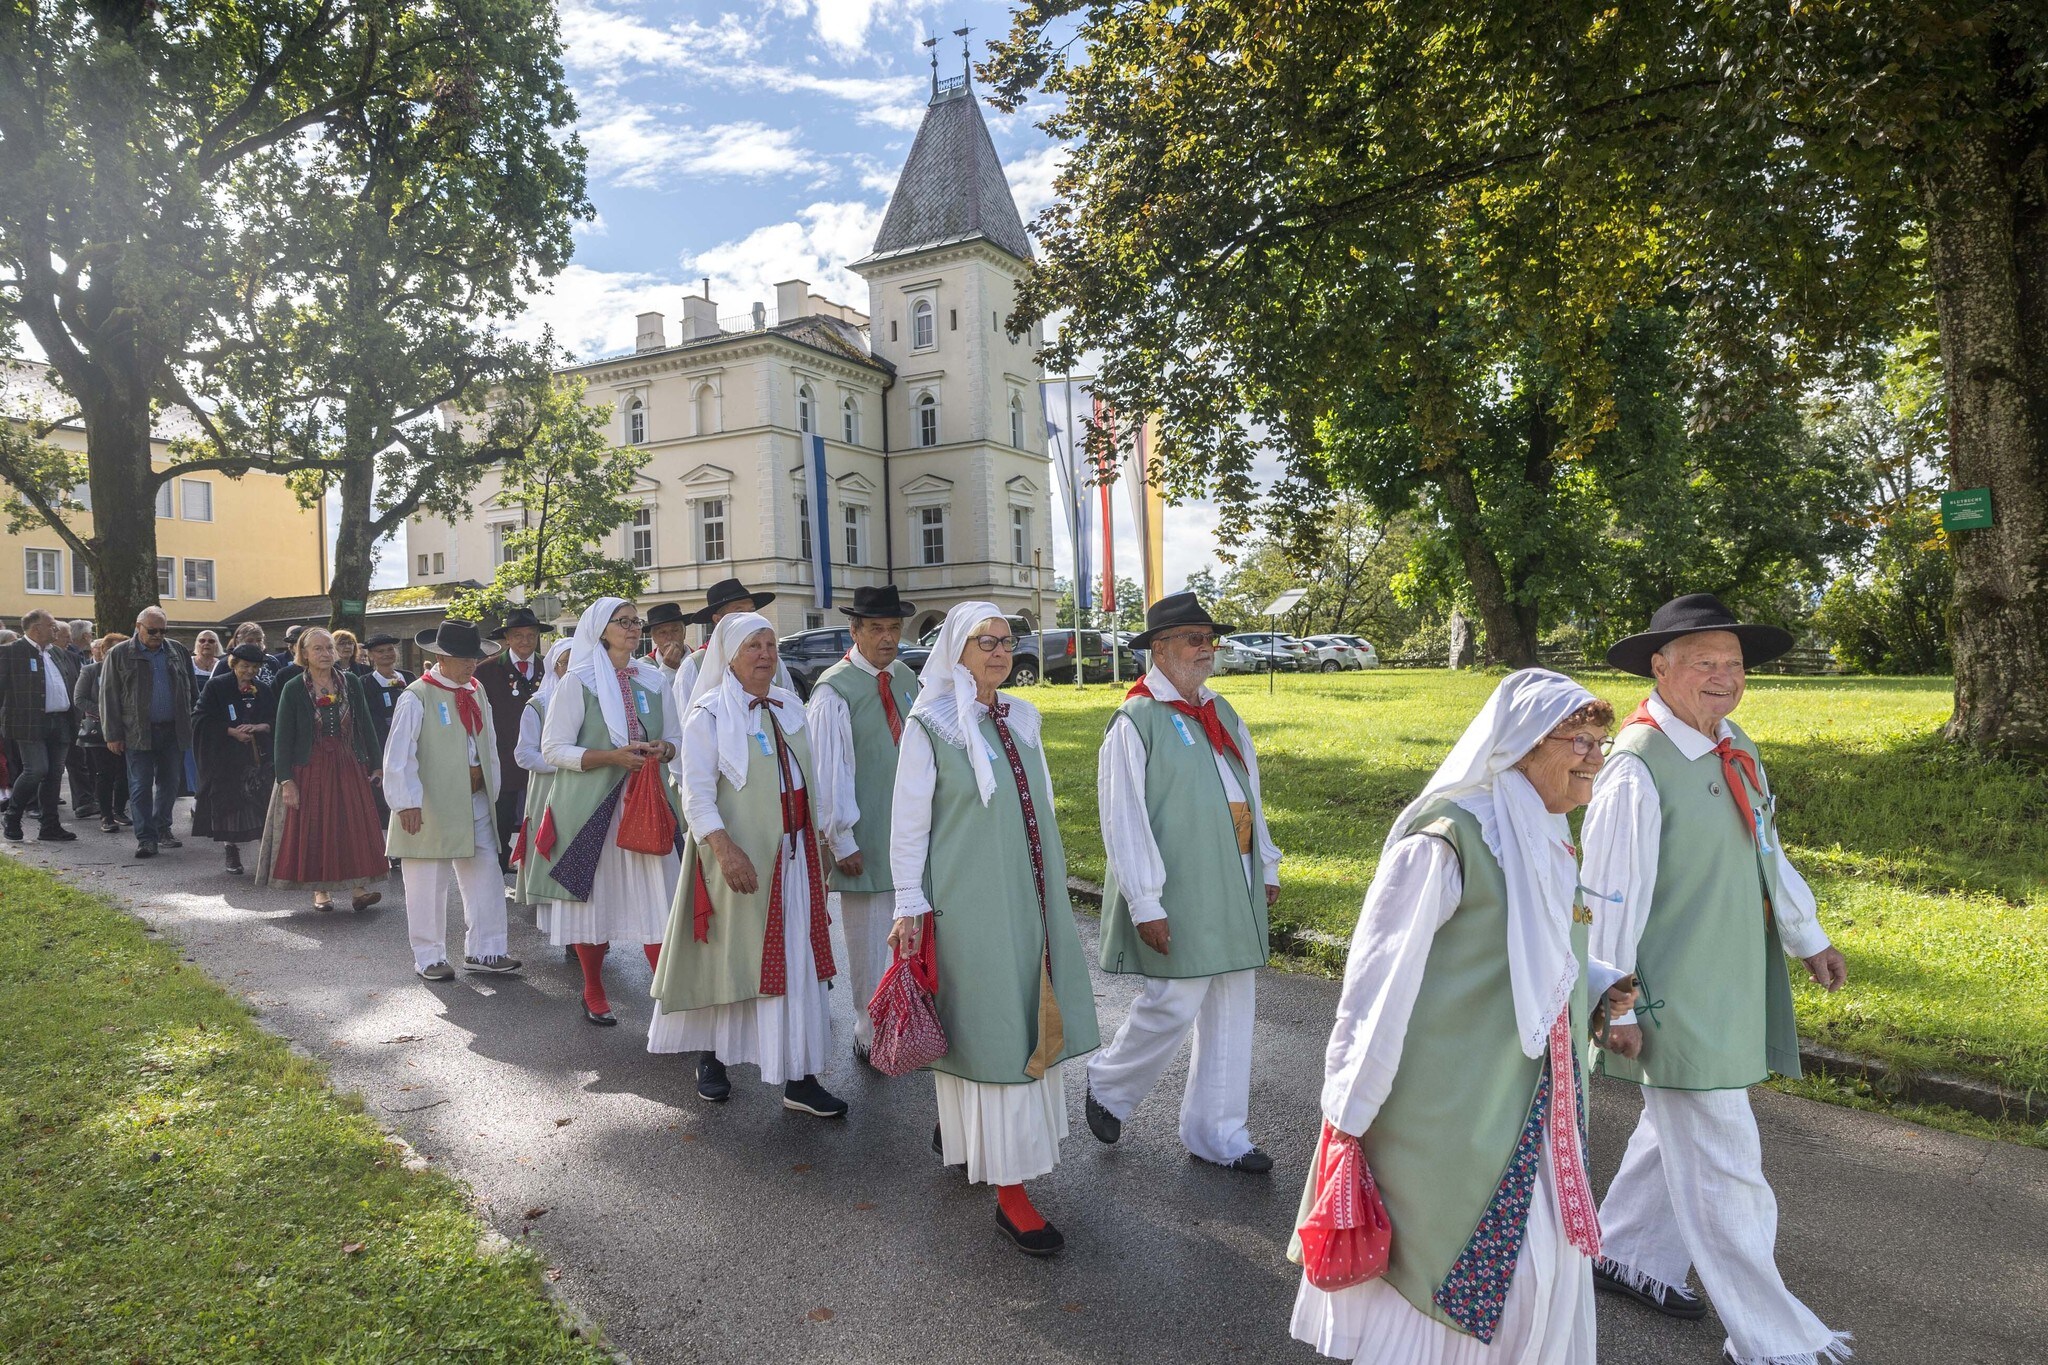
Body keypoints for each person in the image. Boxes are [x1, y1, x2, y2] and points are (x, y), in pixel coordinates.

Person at [1290, 669, 1630, 1364]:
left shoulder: (1546, 831)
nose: (1596, 756)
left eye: (1601, 741)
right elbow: (1376, 985)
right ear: (1521, 747)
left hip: (1531, 1108)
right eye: (1580, 740)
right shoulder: (1445, 839)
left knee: (1539, 1278)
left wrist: (1592, 985)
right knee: (1457, 1276)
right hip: (1448, 1118)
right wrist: (1347, 1121)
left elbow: (1531, 945)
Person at [1581, 594, 1852, 1365]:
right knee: (1728, 1162)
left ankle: (1628, 1253)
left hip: (1726, 979)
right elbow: (1608, 895)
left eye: (1733, 663)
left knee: (1680, 1130)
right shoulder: (1635, 765)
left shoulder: (1736, 746)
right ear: (1661, 669)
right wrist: (1611, 999)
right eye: (1705, 662)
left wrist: (1810, 938)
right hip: (1671, 997)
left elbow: (1766, 851)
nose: (1724, 676)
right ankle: (1772, 1337)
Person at [886, 601, 1101, 1257]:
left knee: (1021, 1024)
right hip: (969, 906)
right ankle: (1011, 1197)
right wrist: (908, 903)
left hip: (1029, 904)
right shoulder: (931, 725)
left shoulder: (1024, 717)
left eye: (1008, 640)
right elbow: (909, 823)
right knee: (995, 1035)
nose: (1001, 651)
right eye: (987, 640)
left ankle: (970, 1144)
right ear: (957, 648)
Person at [1085, 591, 1281, 1171]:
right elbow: (1122, 816)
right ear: (1160, 649)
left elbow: (1252, 791)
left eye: (1208, 639)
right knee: (1175, 996)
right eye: (1194, 639)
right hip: (1178, 881)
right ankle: (1109, 1084)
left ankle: (1218, 1133)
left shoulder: (1221, 712)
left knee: (1231, 998)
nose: (1207, 649)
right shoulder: (1135, 720)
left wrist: (1265, 863)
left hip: (1234, 874)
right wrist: (1145, 900)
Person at [649, 610, 844, 1116]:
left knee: (794, 966)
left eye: (770, 645)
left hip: (792, 860)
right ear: (728, 657)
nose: (765, 654)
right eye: (753, 646)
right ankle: (712, 1059)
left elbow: (809, 780)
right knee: (731, 962)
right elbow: (696, 795)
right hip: (735, 859)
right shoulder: (708, 714)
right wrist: (724, 848)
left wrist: (821, 845)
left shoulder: (788, 705)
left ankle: (798, 1077)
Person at [524, 599, 681, 1025]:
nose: (633, 628)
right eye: (623, 622)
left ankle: (667, 1000)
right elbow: (553, 748)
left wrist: (663, 749)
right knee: (592, 901)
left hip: (645, 803)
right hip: (592, 807)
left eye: (636, 622)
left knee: (659, 900)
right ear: (600, 628)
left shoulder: (653, 679)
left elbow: (675, 738)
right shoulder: (579, 680)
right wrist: (611, 757)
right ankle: (593, 988)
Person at [805, 583, 921, 1062]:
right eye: (876, 628)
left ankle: (909, 1019)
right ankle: (869, 1029)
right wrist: (841, 837)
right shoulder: (835, 690)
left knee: (911, 931)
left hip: (911, 829)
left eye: (894, 628)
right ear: (854, 631)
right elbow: (827, 772)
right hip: (865, 832)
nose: (888, 638)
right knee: (870, 939)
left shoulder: (905, 678)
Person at [381, 621, 523, 981]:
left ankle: (487, 950)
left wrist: (493, 788)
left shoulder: (476, 690)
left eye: (474, 658)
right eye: (463, 659)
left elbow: (488, 746)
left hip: (474, 800)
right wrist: (406, 803)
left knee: (487, 875)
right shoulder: (417, 695)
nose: (471, 665)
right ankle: (429, 956)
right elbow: (399, 755)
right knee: (428, 881)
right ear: (441, 658)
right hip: (430, 805)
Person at [254, 627, 387, 910]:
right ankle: (320, 891)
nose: (325, 653)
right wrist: (286, 780)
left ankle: (359, 888)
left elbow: (364, 725)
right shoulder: (293, 687)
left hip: (348, 762)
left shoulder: (350, 681)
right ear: (303, 653)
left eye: (329, 648)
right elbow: (283, 737)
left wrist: (376, 764)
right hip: (311, 765)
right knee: (317, 826)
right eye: (318, 649)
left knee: (351, 824)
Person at [101, 607, 196, 858]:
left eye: (163, 631)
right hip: (138, 731)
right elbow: (109, 696)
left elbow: (192, 690)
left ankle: (163, 828)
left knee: (170, 784)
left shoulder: (177, 650)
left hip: (173, 730)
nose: (158, 635)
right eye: (152, 630)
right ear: (138, 626)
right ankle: (146, 838)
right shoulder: (119, 653)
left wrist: (193, 722)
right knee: (141, 785)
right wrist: (113, 734)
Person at [191, 643, 275, 875]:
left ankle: (264, 856)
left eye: (255, 667)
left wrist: (259, 727)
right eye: (245, 666)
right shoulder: (217, 687)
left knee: (260, 805)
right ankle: (231, 850)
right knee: (230, 806)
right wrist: (231, 731)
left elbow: (275, 719)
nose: (250, 671)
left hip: (258, 758)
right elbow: (200, 718)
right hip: (225, 758)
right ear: (234, 664)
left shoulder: (264, 690)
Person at [0, 608, 82, 842]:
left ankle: (50, 826)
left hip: (61, 722)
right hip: (28, 724)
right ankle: (13, 816)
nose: (56, 630)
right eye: (52, 626)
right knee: (36, 769)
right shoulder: (10, 653)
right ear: (37, 629)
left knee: (54, 774)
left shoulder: (59, 654)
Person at [474, 608, 546, 874]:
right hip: (503, 753)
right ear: (507, 638)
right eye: (518, 636)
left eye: (530, 635)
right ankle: (499, 862)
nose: (525, 641)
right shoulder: (487, 671)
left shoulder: (549, 667)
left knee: (540, 810)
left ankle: (538, 863)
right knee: (502, 813)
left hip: (541, 754)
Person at [510, 639, 575, 912]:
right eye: (565, 663)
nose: (572, 669)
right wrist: (565, 763)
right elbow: (524, 754)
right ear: (554, 668)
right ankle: (558, 920)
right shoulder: (538, 704)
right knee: (555, 848)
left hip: (581, 785)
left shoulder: (594, 699)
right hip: (549, 787)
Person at [673, 577, 794, 698]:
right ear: (718, 620)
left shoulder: (774, 663)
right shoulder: (693, 666)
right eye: (739, 612)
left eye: (751, 611)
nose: (748, 618)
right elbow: (683, 714)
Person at [73, 634, 131, 833]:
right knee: (104, 773)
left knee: (125, 773)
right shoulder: (90, 671)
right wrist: (107, 712)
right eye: (114, 649)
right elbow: (79, 699)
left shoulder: (131, 671)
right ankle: (106, 815)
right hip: (100, 731)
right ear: (104, 651)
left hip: (129, 729)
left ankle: (119, 810)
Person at [357, 633, 415, 826]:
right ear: (371, 656)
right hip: (382, 744)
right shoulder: (364, 682)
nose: (386, 654)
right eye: (380, 651)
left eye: (390, 649)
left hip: (410, 741)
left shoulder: (408, 677)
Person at [63, 618, 97, 819]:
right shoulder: (73, 656)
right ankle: (84, 801)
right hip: (74, 716)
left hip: (74, 715)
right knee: (78, 760)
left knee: (79, 760)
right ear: (86, 636)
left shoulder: (74, 655)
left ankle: (85, 800)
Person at [644, 601, 692, 687]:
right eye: (662, 632)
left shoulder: (700, 661)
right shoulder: (644, 666)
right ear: (653, 637)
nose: (670, 637)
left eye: (675, 630)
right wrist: (668, 669)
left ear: (684, 633)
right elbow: (651, 697)